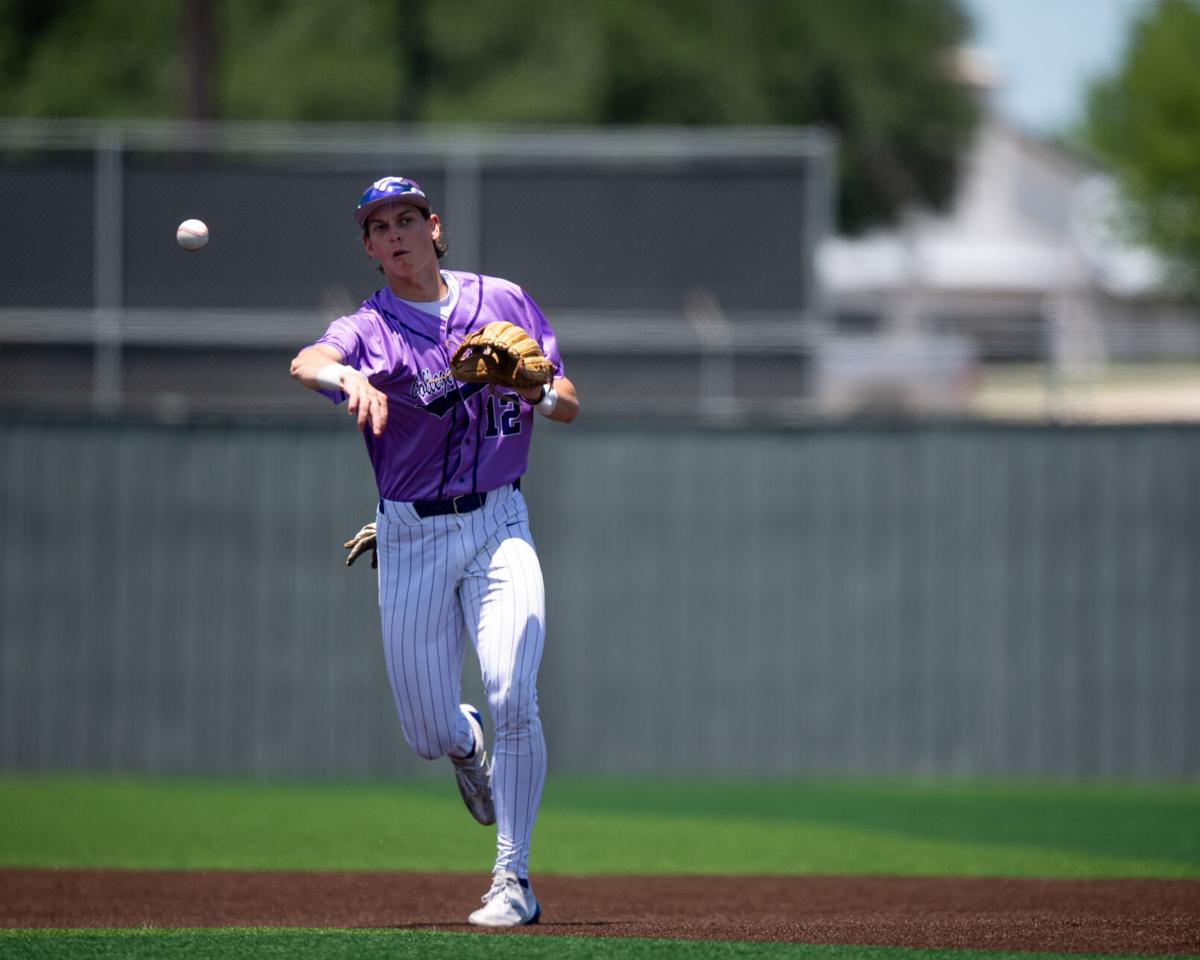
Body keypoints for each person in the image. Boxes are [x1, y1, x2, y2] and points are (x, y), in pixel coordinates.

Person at [289, 176, 579, 927]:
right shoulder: (371, 329)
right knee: (426, 734)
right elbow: (308, 362)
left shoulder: (503, 299)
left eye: (408, 218)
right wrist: (345, 374)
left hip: (497, 523)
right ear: (369, 248)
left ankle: (512, 879)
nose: (396, 233)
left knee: (515, 689)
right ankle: (463, 740)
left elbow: (569, 400)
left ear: (434, 228)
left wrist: (536, 387)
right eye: (379, 225)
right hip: (411, 534)